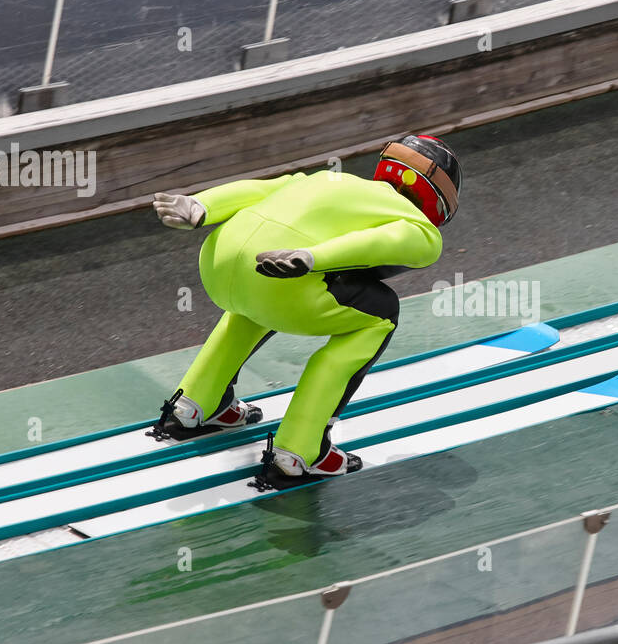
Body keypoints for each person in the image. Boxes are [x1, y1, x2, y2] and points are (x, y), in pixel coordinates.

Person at [149, 135, 462, 484]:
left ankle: (194, 405)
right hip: (286, 283)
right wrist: (315, 258)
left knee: (252, 306)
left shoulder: (331, 179)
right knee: (381, 314)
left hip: (218, 260)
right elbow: (380, 243)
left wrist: (201, 205)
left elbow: (264, 189)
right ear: (440, 197)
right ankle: (299, 451)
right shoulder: (422, 229)